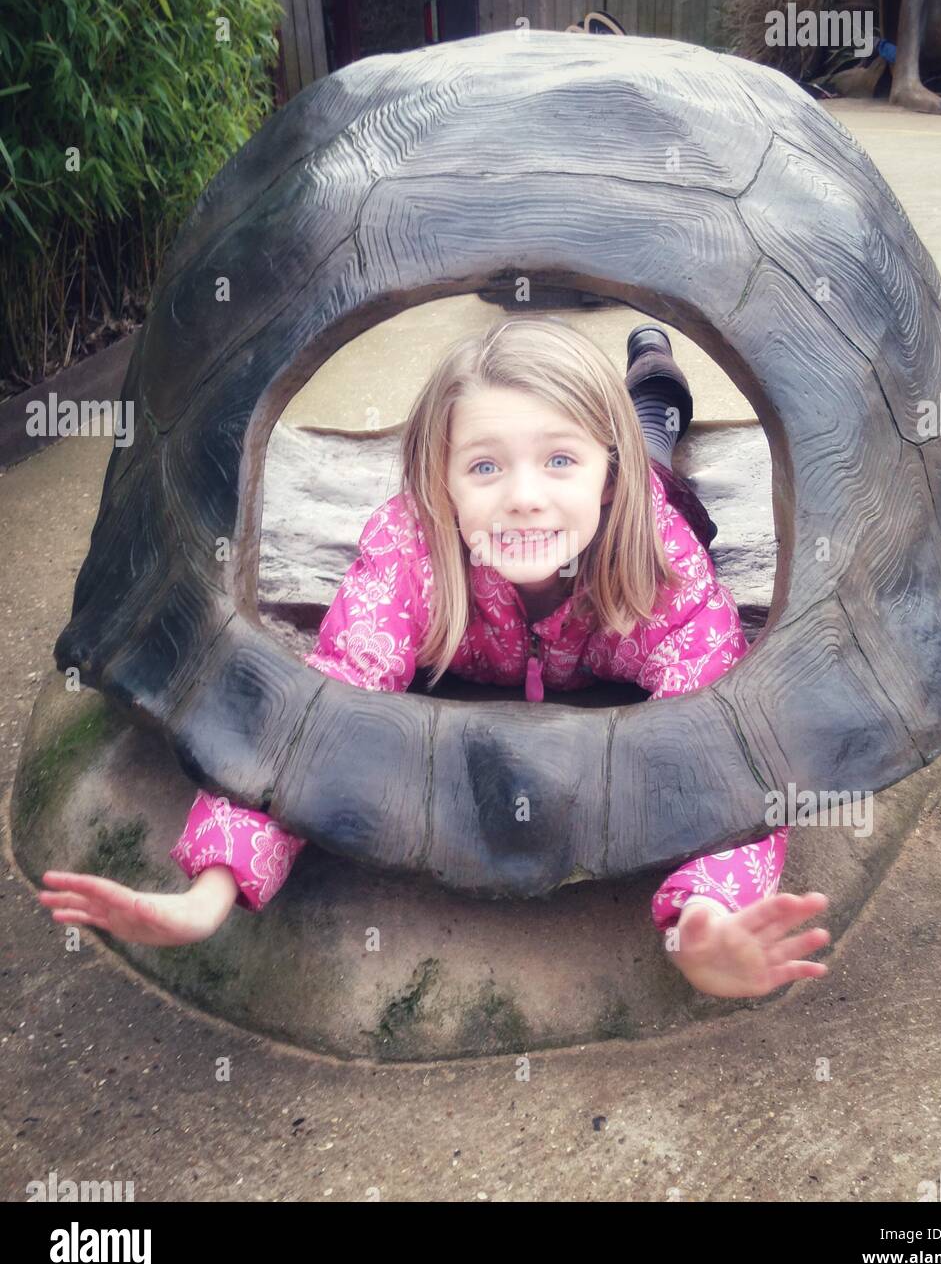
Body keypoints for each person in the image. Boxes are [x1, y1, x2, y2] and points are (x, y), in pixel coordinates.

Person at [39, 318, 831, 998]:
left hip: (643, 485)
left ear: (604, 478)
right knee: (621, 433)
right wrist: (211, 891)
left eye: (560, 459)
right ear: (439, 481)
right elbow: (320, 706)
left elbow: (724, 733)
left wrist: (709, 912)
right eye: (484, 465)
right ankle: (634, 394)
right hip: (581, 497)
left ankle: (649, 380)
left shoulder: (656, 560)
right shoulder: (410, 555)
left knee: (653, 431)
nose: (522, 495)